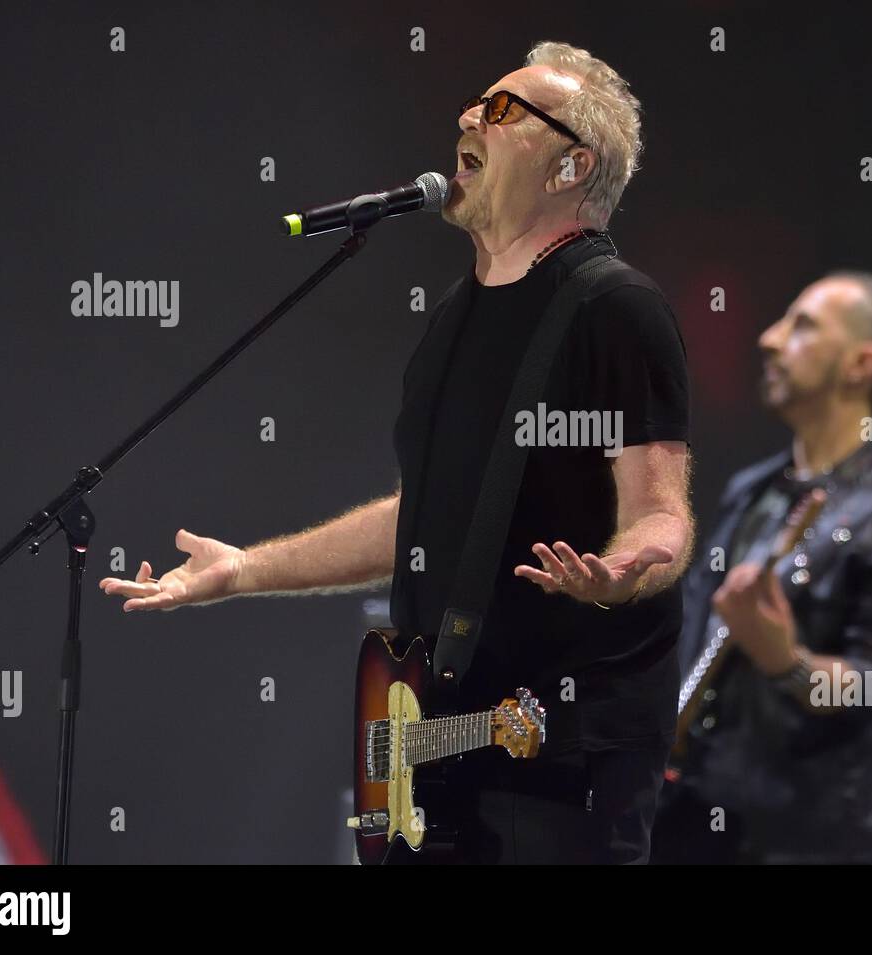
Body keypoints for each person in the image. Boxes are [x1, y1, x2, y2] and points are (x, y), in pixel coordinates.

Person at [99, 41, 693, 864]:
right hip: (436, 760)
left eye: (503, 110)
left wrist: (624, 567)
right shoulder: (454, 317)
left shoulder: (615, 308)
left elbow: (662, 512)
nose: (468, 116)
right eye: (476, 103)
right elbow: (426, 517)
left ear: (570, 166)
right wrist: (242, 571)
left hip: (555, 769)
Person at [649, 272, 872, 864]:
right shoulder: (752, 491)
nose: (768, 338)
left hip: (800, 840)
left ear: (860, 365)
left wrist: (786, 662)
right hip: (688, 823)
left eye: (803, 325)